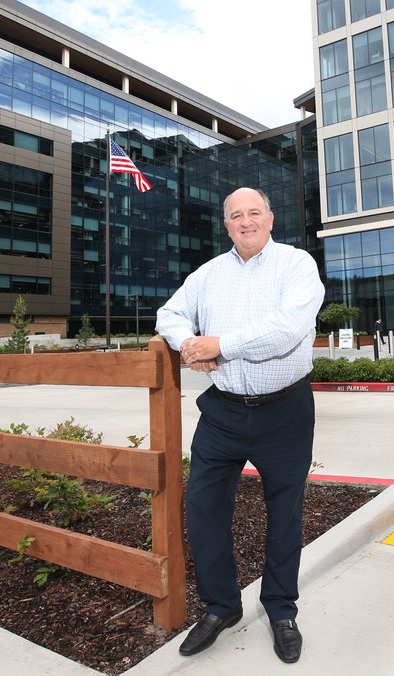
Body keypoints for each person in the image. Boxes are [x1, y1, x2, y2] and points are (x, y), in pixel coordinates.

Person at [155, 187, 325, 664]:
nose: (246, 221)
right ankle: (222, 606)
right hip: (224, 412)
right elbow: (169, 313)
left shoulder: (296, 265)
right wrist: (189, 342)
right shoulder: (208, 274)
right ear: (226, 225)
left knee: (285, 514)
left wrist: (220, 345)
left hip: (285, 411)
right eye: (236, 216)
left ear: (270, 219)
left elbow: (288, 328)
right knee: (202, 506)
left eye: (254, 213)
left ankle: (281, 610)